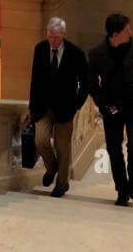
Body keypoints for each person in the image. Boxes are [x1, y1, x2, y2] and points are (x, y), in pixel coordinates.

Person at [87, 14, 133, 207]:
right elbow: (91, 84)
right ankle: (122, 190)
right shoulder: (96, 53)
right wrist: (105, 104)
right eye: (127, 30)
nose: (130, 33)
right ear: (115, 34)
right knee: (114, 149)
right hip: (113, 108)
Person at [27, 17, 88, 198]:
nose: (52, 41)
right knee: (40, 141)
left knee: (62, 148)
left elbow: (85, 83)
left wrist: (77, 104)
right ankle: (51, 168)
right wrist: (32, 106)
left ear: (64, 35)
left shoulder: (76, 54)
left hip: (65, 109)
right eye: (50, 36)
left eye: (56, 37)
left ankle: (62, 185)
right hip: (42, 107)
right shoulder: (40, 49)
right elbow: (35, 80)